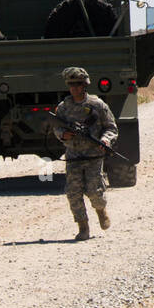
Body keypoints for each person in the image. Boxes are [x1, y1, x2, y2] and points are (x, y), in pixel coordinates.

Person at [51, 66, 118, 241]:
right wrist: (62, 135)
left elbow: (111, 128)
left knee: (95, 192)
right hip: (73, 157)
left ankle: (101, 211)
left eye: (78, 84)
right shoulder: (63, 108)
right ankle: (83, 227)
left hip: (94, 156)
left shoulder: (97, 105)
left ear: (85, 85)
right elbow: (57, 128)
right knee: (73, 193)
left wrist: (105, 140)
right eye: (71, 85)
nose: (74, 88)